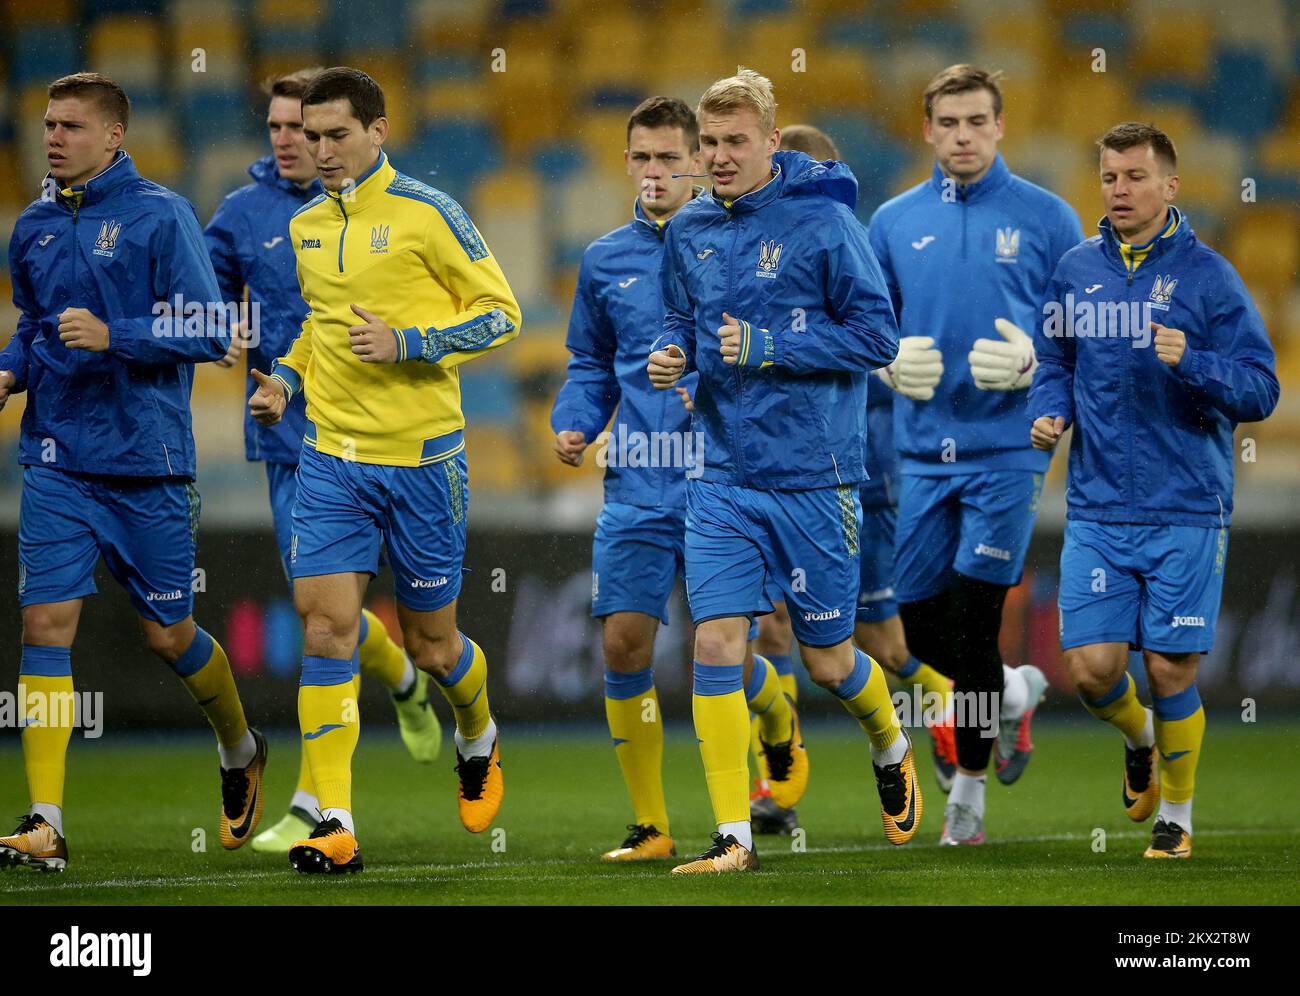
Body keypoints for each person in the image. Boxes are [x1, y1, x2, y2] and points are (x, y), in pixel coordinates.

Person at [247, 67, 521, 873]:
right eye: (307, 134)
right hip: (332, 458)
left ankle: (478, 730)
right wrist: (288, 379)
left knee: (435, 650)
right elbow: (317, 329)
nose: (318, 149)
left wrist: (411, 342)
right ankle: (334, 821)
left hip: (425, 462)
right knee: (326, 627)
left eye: (336, 135)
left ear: (378, 131)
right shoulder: (304, 227)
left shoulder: (429, 213)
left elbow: (501, 313)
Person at [648, 68, 915, 875]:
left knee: (829, 661)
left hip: (816, 476)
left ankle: (888, 740)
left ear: (771, 142)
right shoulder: (687, 228)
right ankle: (732, 836)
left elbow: (879, 340)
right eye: (711, 144)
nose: (721, 157)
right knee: (718, 642)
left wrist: (773, 349)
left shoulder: (827, 226)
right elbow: (678, 319)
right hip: (723, 475)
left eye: (737, 142)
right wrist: (673, 357)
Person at [0, 73, 265, 872]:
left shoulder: (162, 214)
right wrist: (10, 371)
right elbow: (33, 324)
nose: (53, 136)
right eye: (48, 123)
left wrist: (115, 334)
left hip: (147, 462)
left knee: (167, 633)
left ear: (114, 136)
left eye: (72, 125)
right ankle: (45, 820)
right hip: (55, 458)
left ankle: (239, 745)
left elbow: (214, 328)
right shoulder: (34, 224)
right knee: (44, 625)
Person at [552, 97, 806, 862]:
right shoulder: (603, 260)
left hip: (723, 476)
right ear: (626, 162)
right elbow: (591, 363)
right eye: (642, 158)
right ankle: (652, 828)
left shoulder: (739, 246)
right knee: (625, 645)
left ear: (697, 161)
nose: (657, 172)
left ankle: (773, 731)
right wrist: (577, 419)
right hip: (636, 480)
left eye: (671, 158)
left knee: (723, 644)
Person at [203, 67, 440, 855]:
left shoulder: (379, 210)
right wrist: (219, 331)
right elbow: (196, 298)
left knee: (333, 622)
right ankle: (397, 688)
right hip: (288, 442)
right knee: (324, 619)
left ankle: (317, 800)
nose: (292, 140)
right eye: (279, 127)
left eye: (305, 128)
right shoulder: (243, 215)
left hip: (379, 441)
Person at [1030, 122, 1278, 858]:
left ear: (1170, 186)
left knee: (1170, 667)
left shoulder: (1211, 278)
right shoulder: (1075, 271)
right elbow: (1054, 358)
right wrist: (1049, 410)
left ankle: (1178, 816)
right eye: (1110, 177)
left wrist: (1194, 361)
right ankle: (1140, 738)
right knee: (1092, 669)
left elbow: (1260, 388)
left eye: (1136, 176)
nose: (1120, 190)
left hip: (1186, 506)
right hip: (1101, 505)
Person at [867, 64, 1084, 845]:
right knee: (921, 636)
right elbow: (861, 327)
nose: (963, 135)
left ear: (1000, 126)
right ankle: (1017, 695)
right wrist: (884, 363)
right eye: (948, 122)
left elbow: (1084, 333)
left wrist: (1038, 364)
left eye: (977, 121)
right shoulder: (890, 222)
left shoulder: (1051, 219)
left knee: (975, 619)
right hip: (921, 452)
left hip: (1009, 450)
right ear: (927, 129)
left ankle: (968, 794)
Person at [748, 123, 959, 839]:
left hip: (861, 471)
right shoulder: (760, 243)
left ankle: (958, 706)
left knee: (881, 646)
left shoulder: (852, 241)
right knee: (769, 627)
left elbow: (889, 348)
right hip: (775, 470)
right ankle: (775, 783)